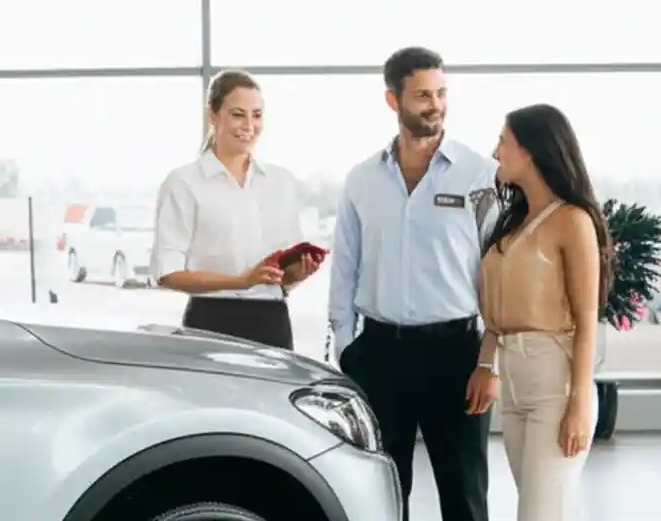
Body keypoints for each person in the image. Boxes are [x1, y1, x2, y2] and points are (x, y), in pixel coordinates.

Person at [328, 47, 499, 521]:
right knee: (381, 493)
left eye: (441, 92)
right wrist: (347, 349)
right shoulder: (362, 180)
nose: (435, 104)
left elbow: (497, 272)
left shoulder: (479, 174)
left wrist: (491, 361)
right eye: (423, 94)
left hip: (457, 356)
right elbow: (344, 266)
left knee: (465, 495)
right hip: (381, 357)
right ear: (393, 100)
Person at [464, 103, 610, 521]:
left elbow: (586, 321)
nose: (495, 153)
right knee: (542, 508)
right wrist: (485, 363)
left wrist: (579, 404)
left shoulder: (573, 220)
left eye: (503, 142)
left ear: (531, 151)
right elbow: (497, 304)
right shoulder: (513, 221)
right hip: (514, 386)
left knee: (540, 515)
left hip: (555, 386)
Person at [150, 69, 321, 349]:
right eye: (238, 114)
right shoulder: (183, 182)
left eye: (257, 115)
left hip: (273, 322)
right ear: (213, 115)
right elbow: (168, 274)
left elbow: (280, 276)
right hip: (210, 322)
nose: (249, 125)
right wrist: (240, 281)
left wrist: (294, 275)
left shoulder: (281, 182)